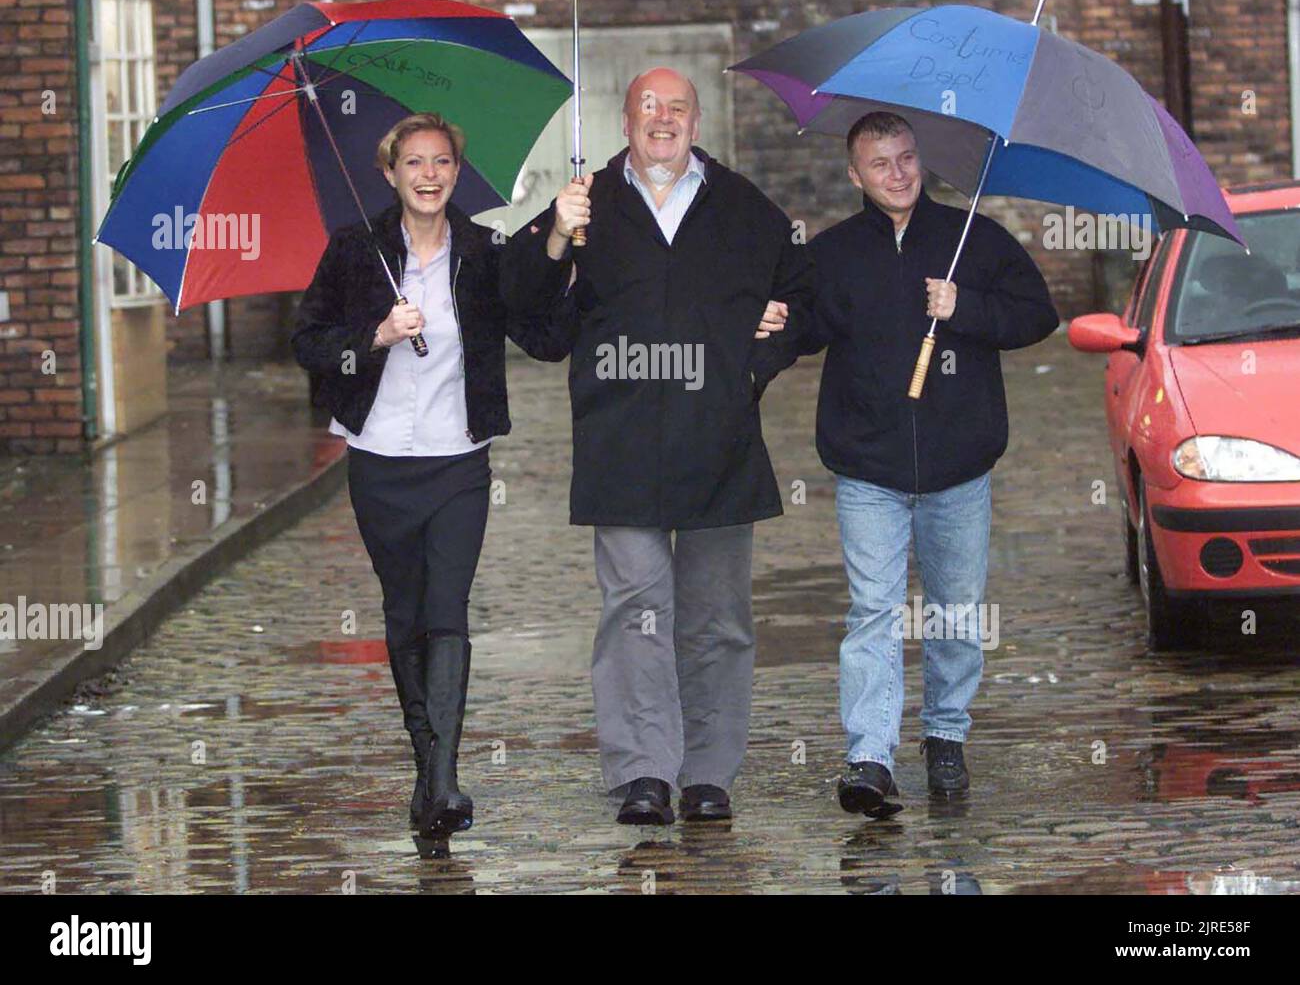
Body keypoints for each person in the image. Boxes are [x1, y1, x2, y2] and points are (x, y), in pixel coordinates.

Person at [500, 68, 813, 825]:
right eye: (649, 106)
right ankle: (644, 770)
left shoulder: (745, 210)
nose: (663, 119)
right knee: (636, 610)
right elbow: (534, 327)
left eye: (677, 107)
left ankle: (708, 771)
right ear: (626, 121)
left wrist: (760, 357)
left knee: (717, 617)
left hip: (719, 441)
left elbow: (804, 302)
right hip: (621, 440)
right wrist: (551, 236)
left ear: (696, 123)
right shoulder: (586, 209)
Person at [292, 113, 572, 845]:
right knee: (404, 612)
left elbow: (541, 333)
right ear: (391, 173)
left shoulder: (482, 250)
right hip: (379, 459)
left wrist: (562, 237)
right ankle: (428, 769)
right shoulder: (356, 251)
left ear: (456, 172)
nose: (427, 175)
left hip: (457, 461)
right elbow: (309, 341)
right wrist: (375, 338)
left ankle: (444, 778)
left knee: (447, 608)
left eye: (441, 162)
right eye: (413, 162)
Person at [801, 111, 1058, 817]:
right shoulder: (833, 254)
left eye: (907, 158)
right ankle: (871, 757)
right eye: (880, 163)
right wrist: (766, 325)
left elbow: (1039, 314)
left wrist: (964, 305)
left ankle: (945, 734)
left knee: (955, 614)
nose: (897, 173)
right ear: (855, 175)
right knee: (874, 613)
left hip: (958, 467)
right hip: (868, 467)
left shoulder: (972, 240)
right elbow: (803, 322)